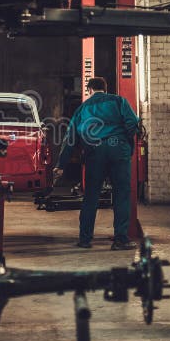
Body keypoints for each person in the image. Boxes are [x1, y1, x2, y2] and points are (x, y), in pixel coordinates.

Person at [53, 77, 140, 250]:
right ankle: (120, 240)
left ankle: (85, 240)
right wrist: (125, 141)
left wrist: (61, 165)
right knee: (121, 194)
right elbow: (133, 124)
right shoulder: (119, 101)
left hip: (94, 152)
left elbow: (70, 138)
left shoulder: (82, 109)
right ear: (105, 89)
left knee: (91, 196)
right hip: (118, 149)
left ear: (90, 90)